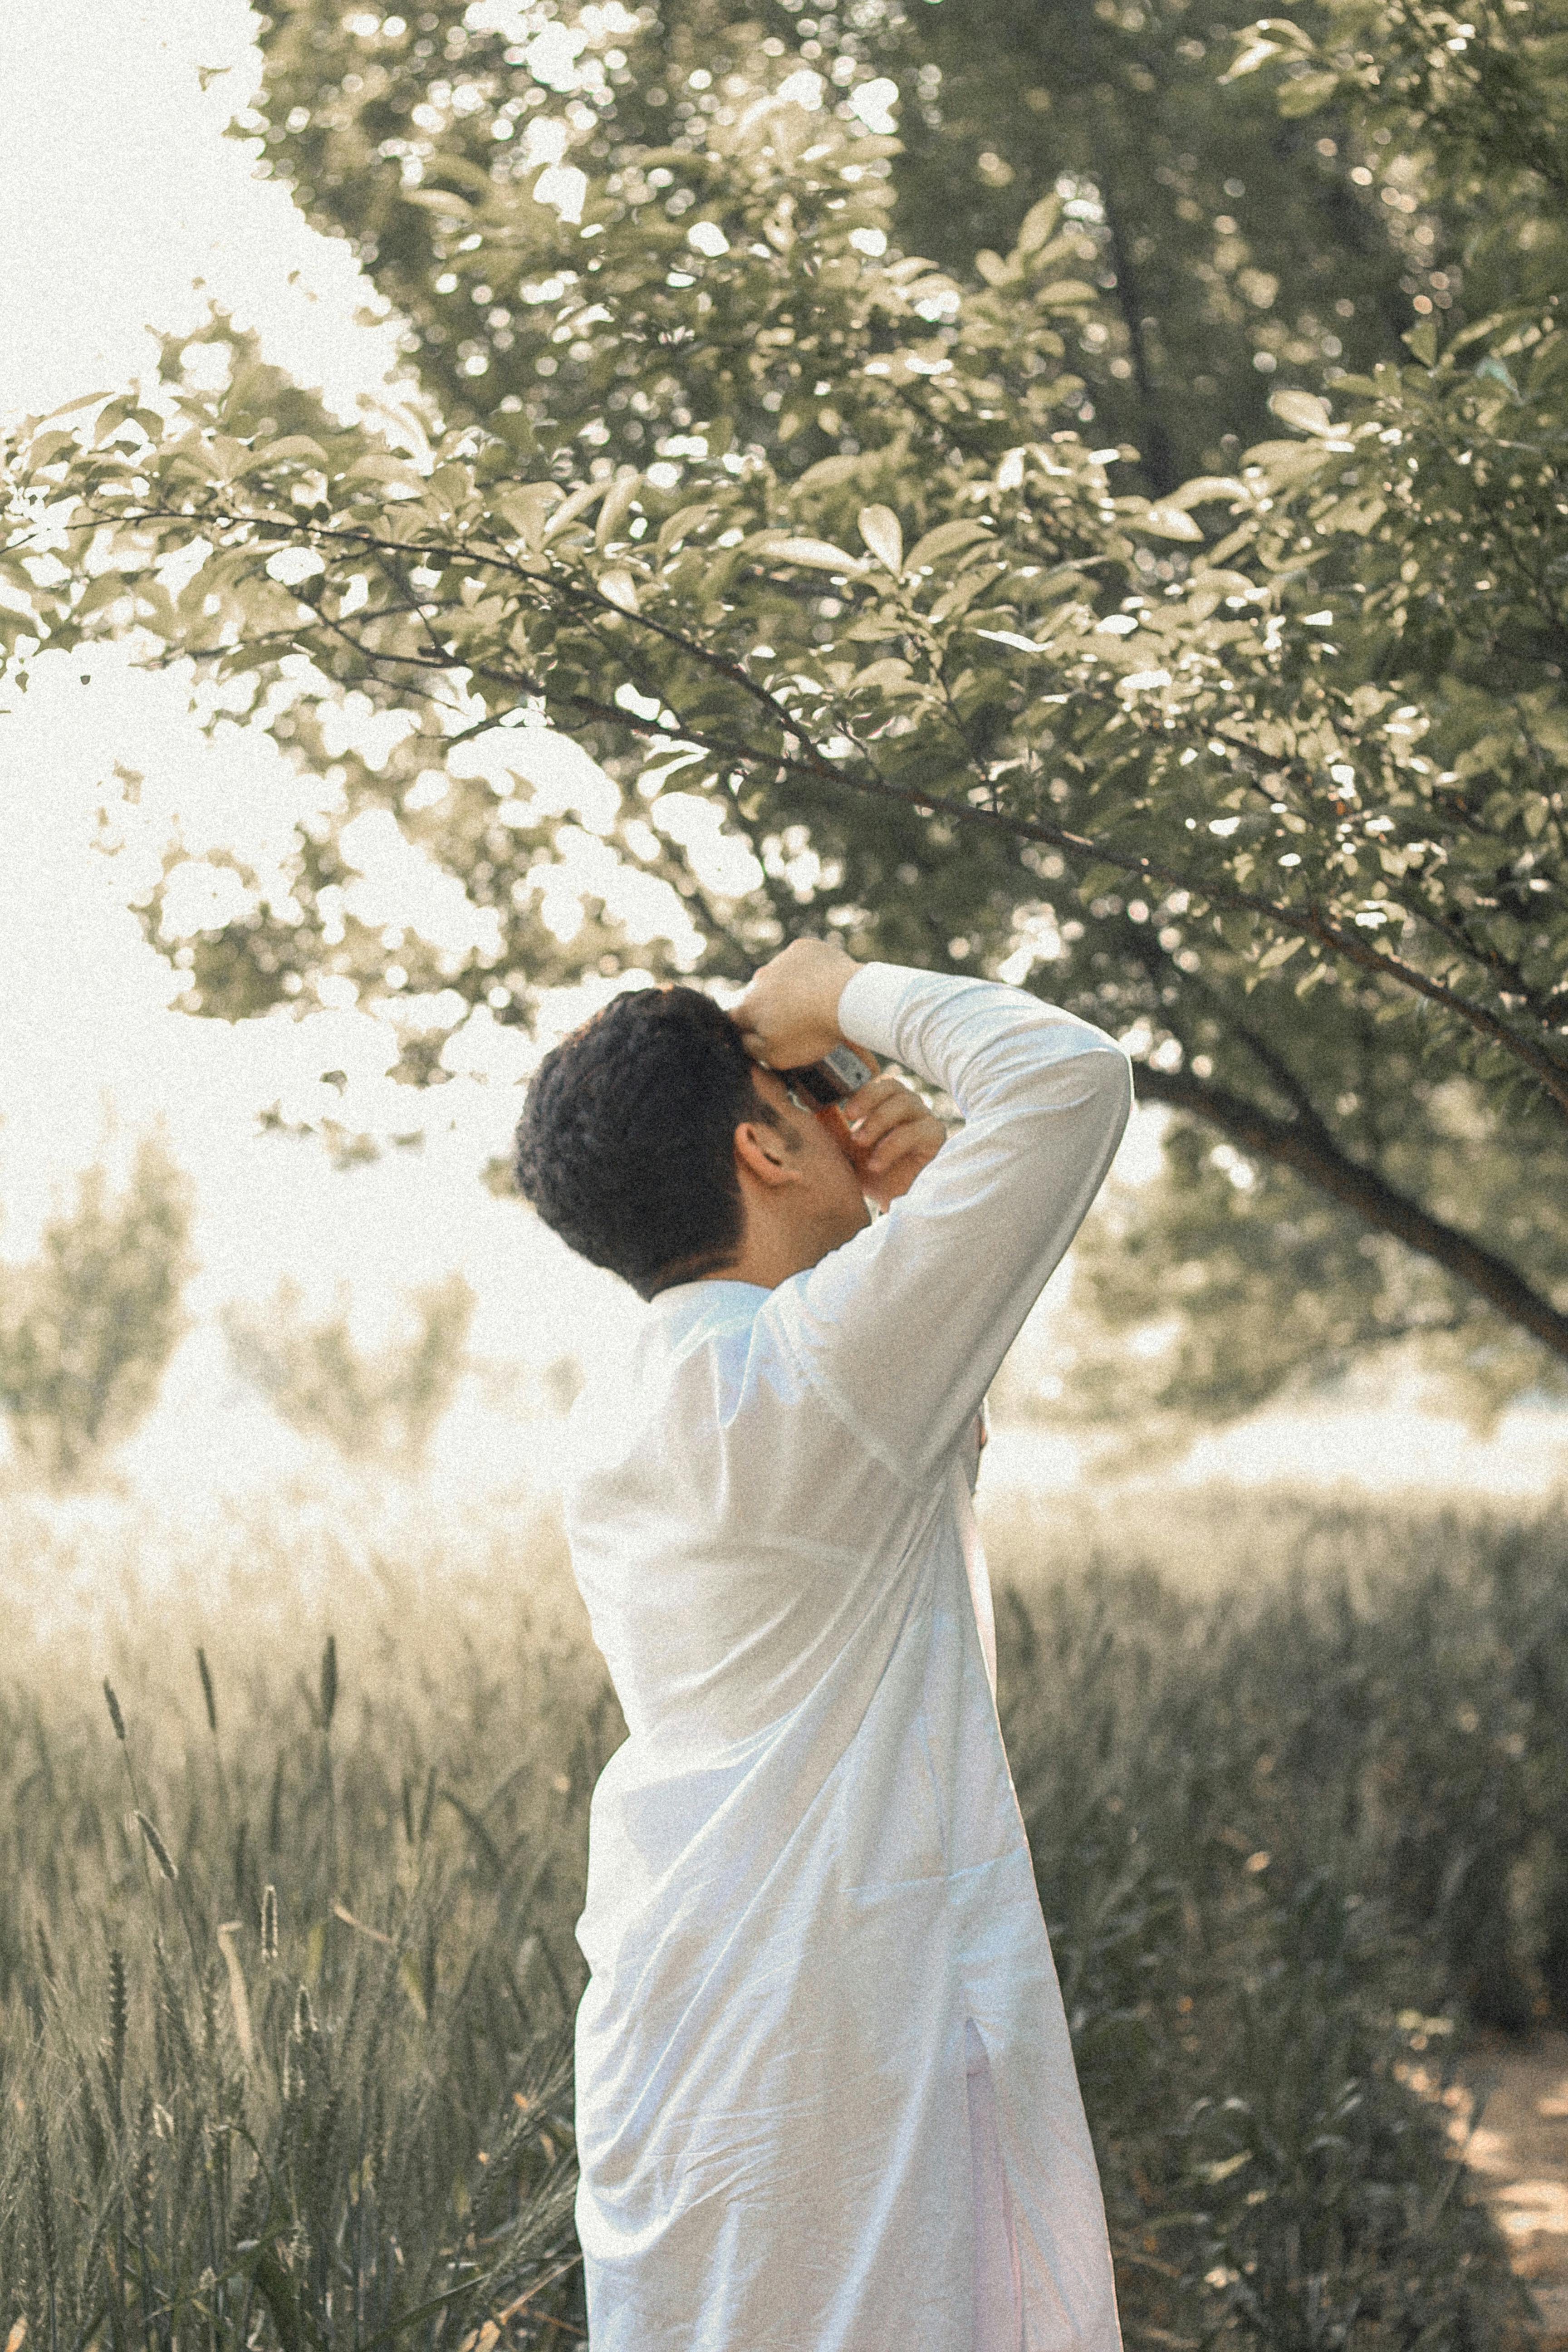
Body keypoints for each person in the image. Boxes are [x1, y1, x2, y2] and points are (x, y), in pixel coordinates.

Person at [514, 936, 1132, 2352]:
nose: (845, 1099)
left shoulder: (635, 1407)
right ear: (764, 1146)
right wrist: (842, 995)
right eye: (811, 1093)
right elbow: (1074, 1078)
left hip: (673, 2026)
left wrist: (910, 1214)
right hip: (846, 2029)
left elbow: (897, 1481)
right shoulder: (812, 1377)